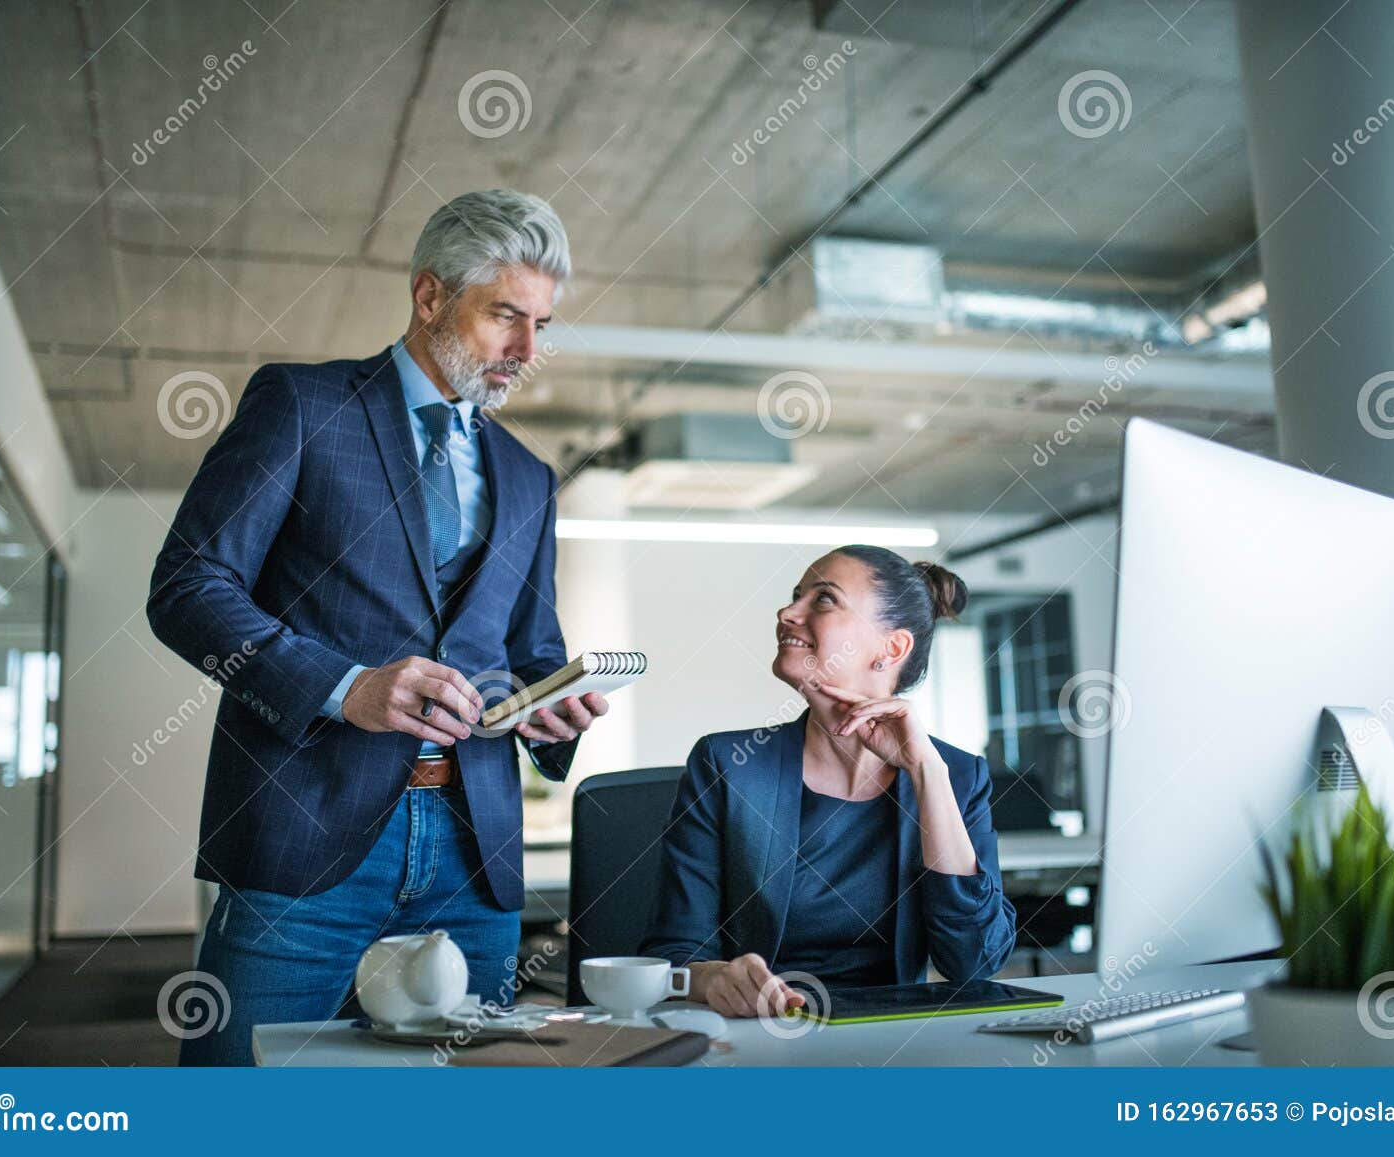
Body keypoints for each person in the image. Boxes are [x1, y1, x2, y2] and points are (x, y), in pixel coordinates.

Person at [148, 189, 608, 1064]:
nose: (526, 351)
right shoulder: (302, 405)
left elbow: (529, 651)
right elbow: (187, 585)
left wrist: (548, 711)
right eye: (505, 315)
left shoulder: (529, 475)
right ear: (429, 296)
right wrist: (343, 686)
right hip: (305, 831)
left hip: (475, 855)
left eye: (542, 324)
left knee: (462, 1105)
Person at [641, 545, 1015, 1018]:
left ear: (892, 648)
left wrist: (927, 775)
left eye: (822, 599)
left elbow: (975, 962)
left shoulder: (956, 775)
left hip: (892, 1042)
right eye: (795, 595)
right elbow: (673, 954)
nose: (786, 612)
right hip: (758, 1037)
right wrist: (711, 976)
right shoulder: (729, 764)